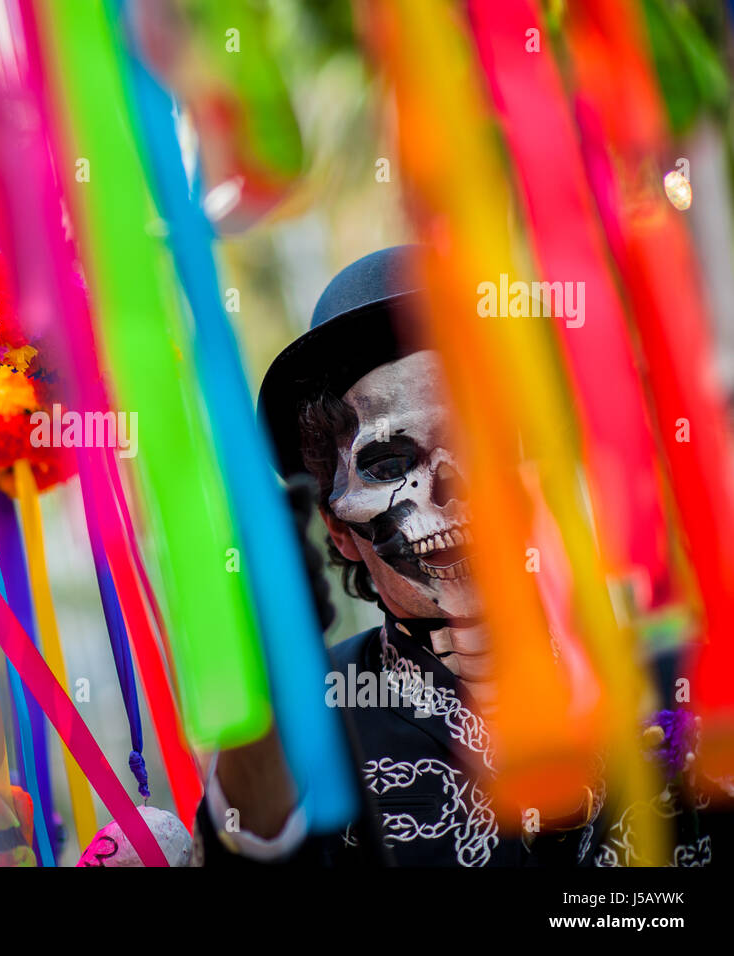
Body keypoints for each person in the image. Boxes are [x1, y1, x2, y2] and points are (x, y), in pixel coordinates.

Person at [197, 245, 720, 866]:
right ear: (340, 529)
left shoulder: (676, 686)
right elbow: (253, 840)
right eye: (389, 464)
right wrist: (266, 695)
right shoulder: (320, 724)